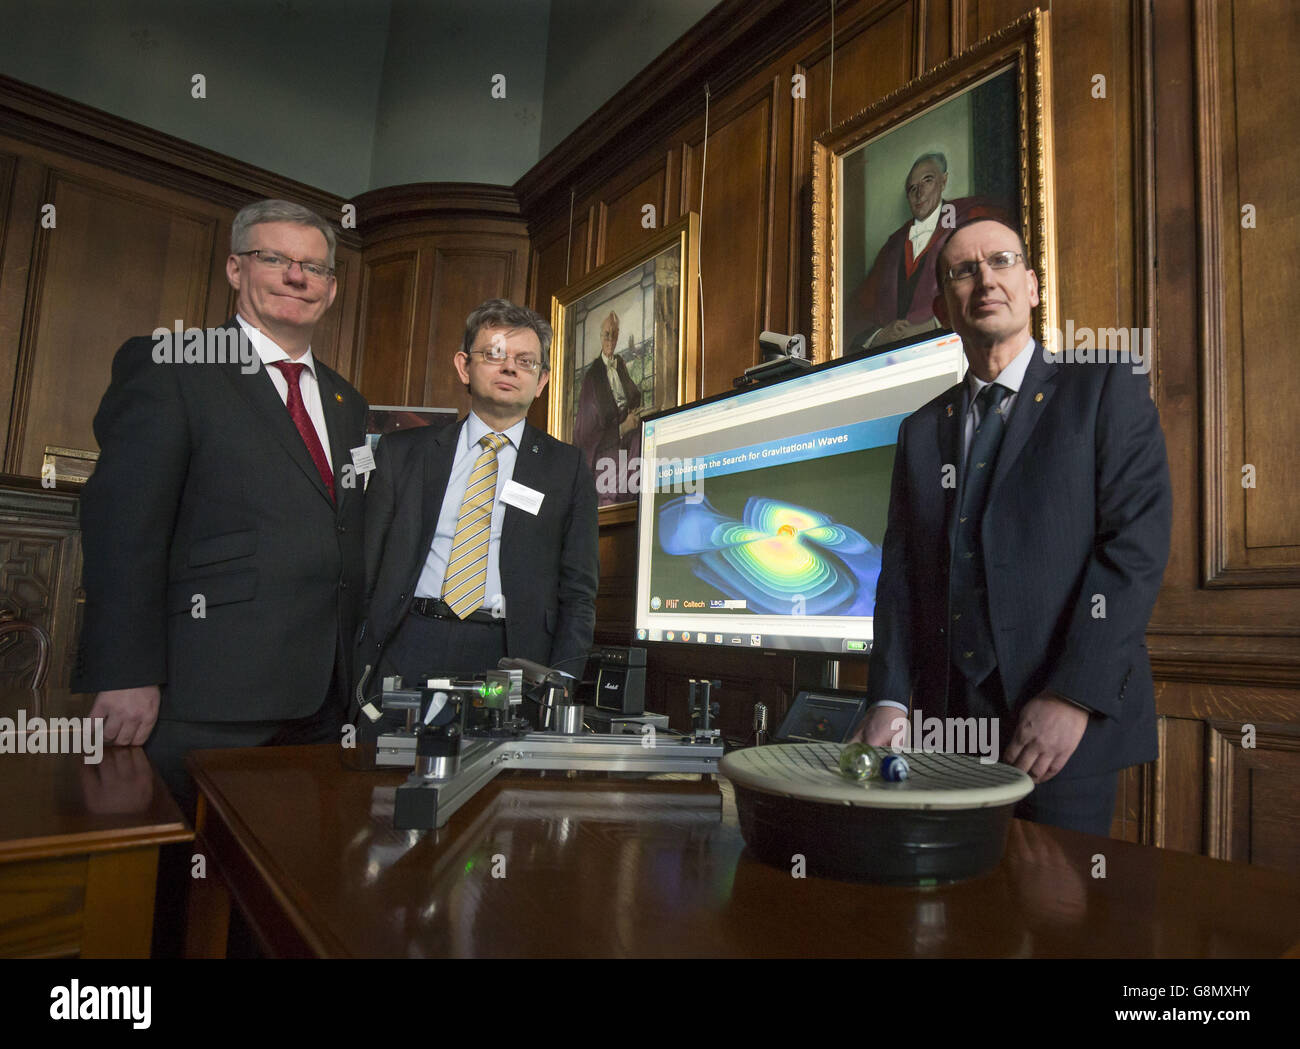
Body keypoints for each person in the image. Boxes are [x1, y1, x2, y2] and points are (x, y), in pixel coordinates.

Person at [851, 217, 1172, 836]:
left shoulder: (1105, 388)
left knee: (1053, 917)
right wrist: (889, 697)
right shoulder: (920, 432)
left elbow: (1133, 551)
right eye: (964, 271)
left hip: (1062, 732)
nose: (985, 279)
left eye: (1000, 262)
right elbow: (899, 580)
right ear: (943, 307)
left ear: (1030, 284)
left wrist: (1073, 695)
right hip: (941, 732)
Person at [74, 199, 368, 813]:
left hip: (325, 697)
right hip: (206, 692)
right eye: (275, 259)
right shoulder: (171, 364)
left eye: (314, 267)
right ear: (236, 269)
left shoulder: (347, 400)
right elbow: (123, 526)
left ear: (332, 289)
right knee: (176, 882)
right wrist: (124, 671)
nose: (297, 276)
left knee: (279, 883)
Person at [356, 299, 598, 720]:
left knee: (499, 782)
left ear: (541, 381)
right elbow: (365, 568)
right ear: (465, 367)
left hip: (509, 655)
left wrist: (560, 685)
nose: (509, 368)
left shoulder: (567, 467)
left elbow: (579, 591)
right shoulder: (403, 454)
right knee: (385, 775)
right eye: (495, 355)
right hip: (408, 641)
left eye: (525, 361)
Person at [844, 153, 1005, 353]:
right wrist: (879, 335)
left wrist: (934, 324)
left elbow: (990, 284)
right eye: (912, 189)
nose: (919, 193)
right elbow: (858, 308)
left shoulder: (968, 217)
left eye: (927, 180)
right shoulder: (894, 244)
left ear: (943, 181)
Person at [573, 309, 643, 502]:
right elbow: (585, 432)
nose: (610, 339)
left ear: (619, 334)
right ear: (601, 336)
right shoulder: (592, 376)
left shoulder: (619, 363)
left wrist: (633, 413)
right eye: (607, 334)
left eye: (614, 333)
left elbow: (632, 394)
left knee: (641, 438)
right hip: (604, 445)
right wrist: (621, 428)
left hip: (628, 430)